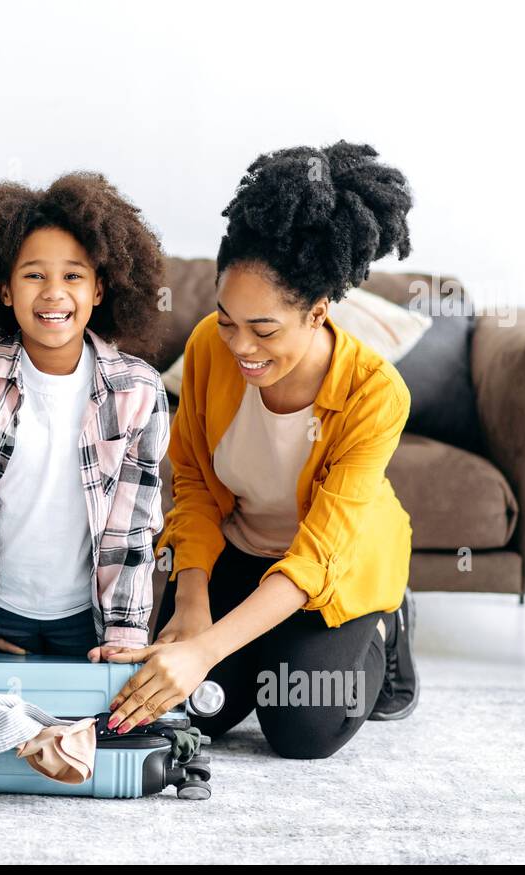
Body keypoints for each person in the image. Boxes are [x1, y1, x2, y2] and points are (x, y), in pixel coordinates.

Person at [106, 141, 420, 758]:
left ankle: (386, 622)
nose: (240, 346)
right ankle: (255, 648)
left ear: (318, 313)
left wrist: (204, 651)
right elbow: (193, 482)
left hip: (326, 570)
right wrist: (192, 605)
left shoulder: (376, 393)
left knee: (301, 726)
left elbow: (317, 559)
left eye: (264, 329)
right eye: (227, 320)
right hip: (241, 552)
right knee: (190, 716)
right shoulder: (207, 349)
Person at [0, 173, 170, 661]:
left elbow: (132, 529)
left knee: (94, 730)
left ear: (99, 290)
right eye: (34, 275)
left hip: (87, 619)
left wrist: (125, 635)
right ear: (5, 291)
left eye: (73, 276)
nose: (53, 293)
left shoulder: (138, 390)